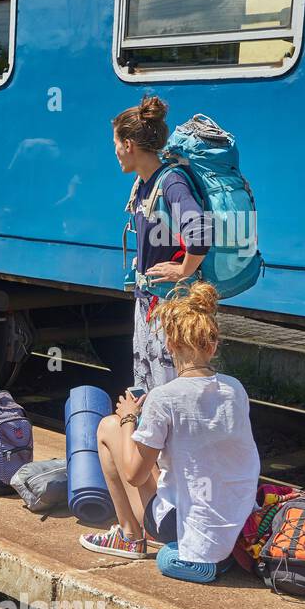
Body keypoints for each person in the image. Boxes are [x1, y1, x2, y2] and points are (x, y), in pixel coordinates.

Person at [80, 282, 260, 583]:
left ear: (170, 345)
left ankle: (129, 536)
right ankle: (219, 554)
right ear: (213, 346)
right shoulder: (235, 389)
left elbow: (135, 475)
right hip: (236, 516)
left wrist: (129, 419)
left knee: (107, 427)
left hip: (186, 521)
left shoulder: (165, 397)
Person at [114, 94, 211, 393]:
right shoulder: (145, 184)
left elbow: (200, 230)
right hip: (148, 305)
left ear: (129, 145)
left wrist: (183, 270)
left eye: (116, 144)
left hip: (170, 311)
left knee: (167, 394)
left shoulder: (171, 182)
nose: (115, 151)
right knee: (148, 393)